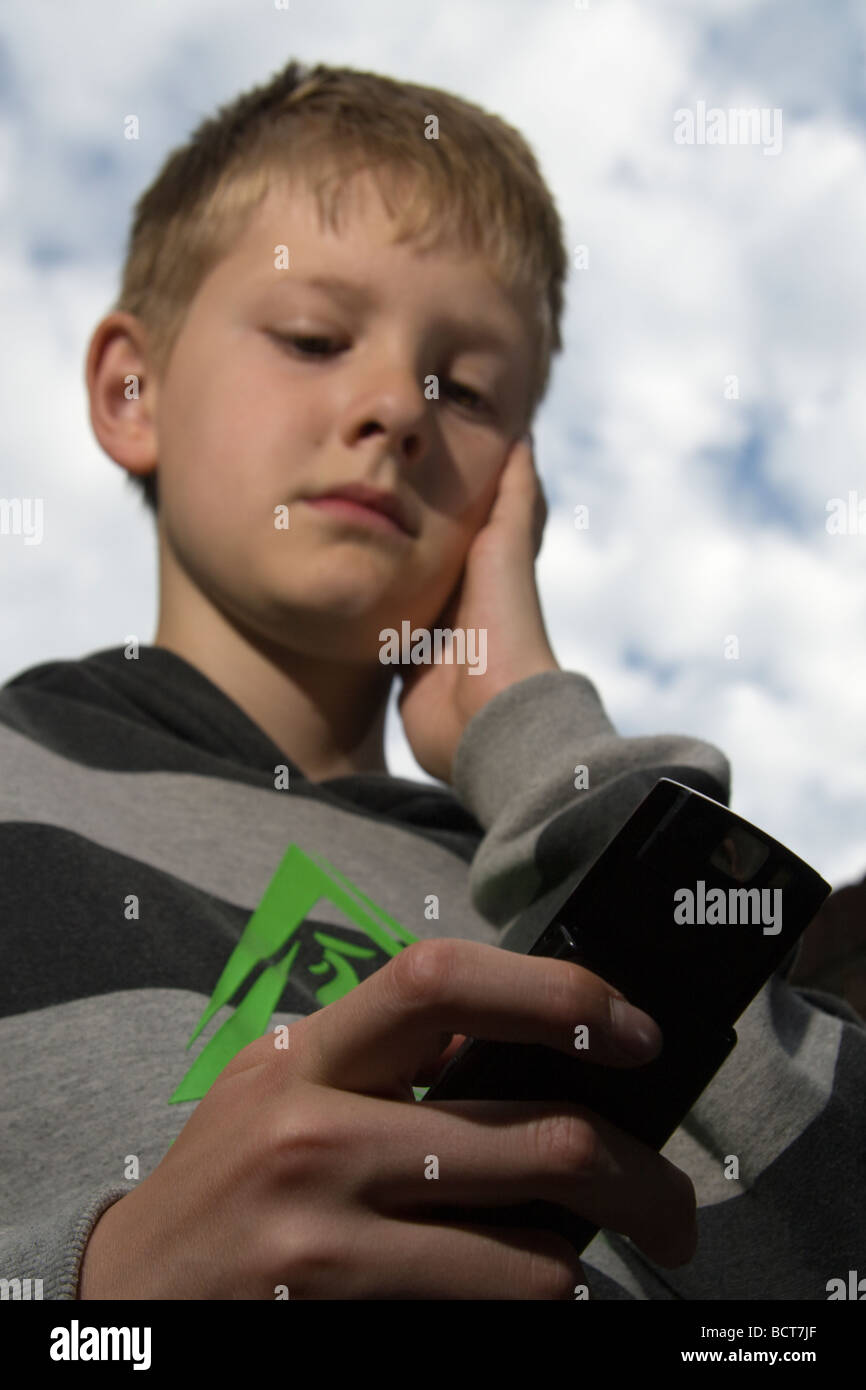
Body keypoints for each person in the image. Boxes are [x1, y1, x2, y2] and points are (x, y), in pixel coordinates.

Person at [1, 59, 862, 1302]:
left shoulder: (539, 868)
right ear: (132, 390)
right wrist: (111, 1296)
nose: (395, 411)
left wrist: (533, 729)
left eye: (460, 389)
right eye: (312, 335)